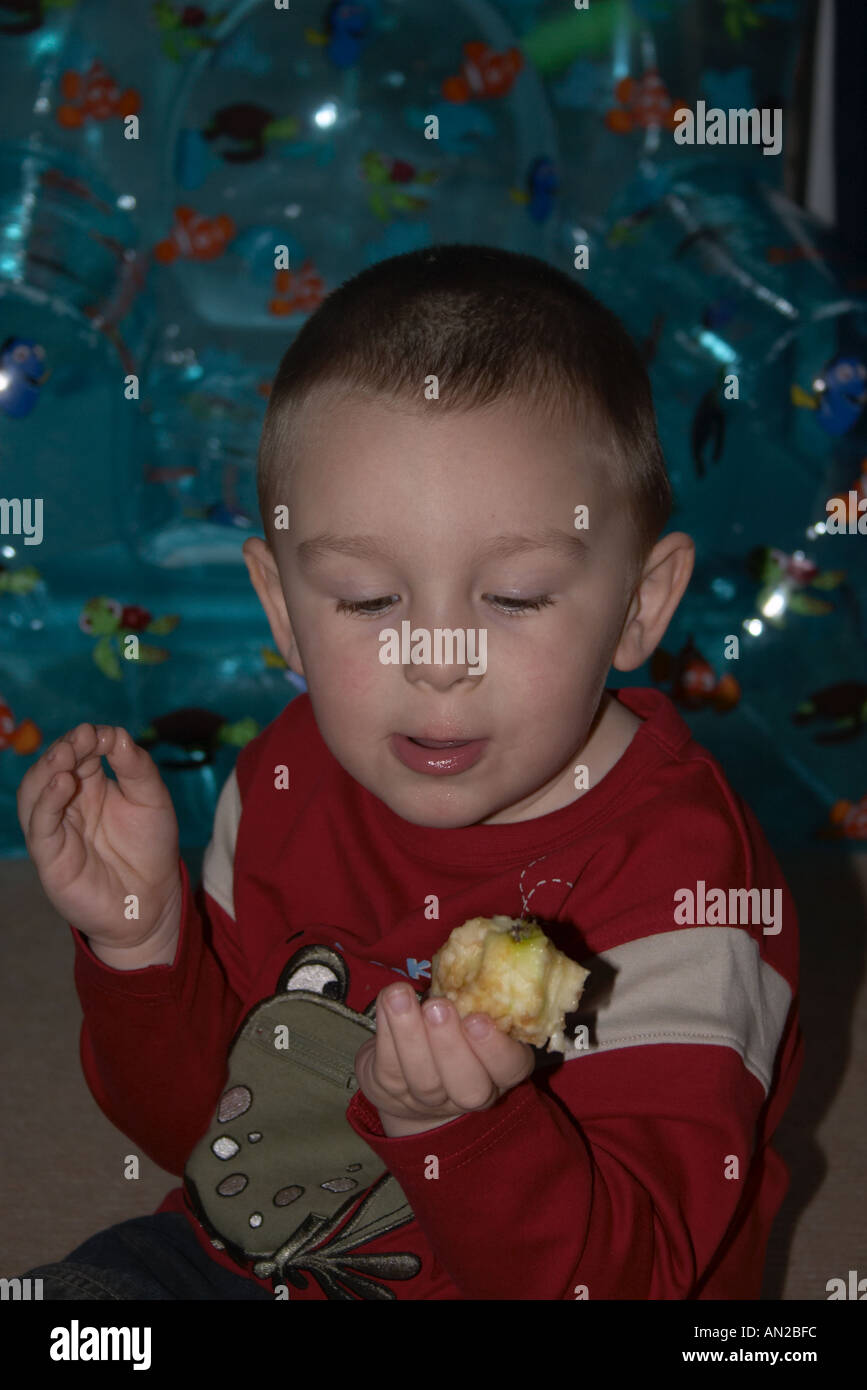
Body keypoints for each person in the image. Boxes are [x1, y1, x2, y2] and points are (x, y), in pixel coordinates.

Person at [16, 244, 802, 1300]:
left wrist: (456, 1131)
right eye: (368, 600)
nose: (437, 661)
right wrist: (142, 945)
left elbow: (638, 1276)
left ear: (640, 605)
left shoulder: (685, 881)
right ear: (283, 608)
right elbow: (212, 1148)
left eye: (515, 597)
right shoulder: (286, 776)